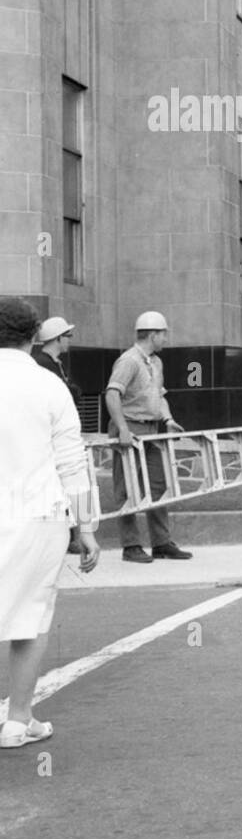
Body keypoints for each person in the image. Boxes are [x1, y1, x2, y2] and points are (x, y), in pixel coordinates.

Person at [0, 297, 99, 749]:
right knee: (30, 617)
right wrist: (86, 528)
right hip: (38, 516)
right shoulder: (49, 386)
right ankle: (18, 720)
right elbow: (71, 463)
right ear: (34, 335)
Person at [104, 312, 192, 563]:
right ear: (152, 335)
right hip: (131, 427)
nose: (166, 338)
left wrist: (168, 420)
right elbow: (112, 394)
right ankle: (130, 546)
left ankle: (161, 543)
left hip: (153, 428)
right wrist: (122, 429)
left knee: (157, 486)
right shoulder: (128, 361)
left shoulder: (155, 362)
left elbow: (159, 395)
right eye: (163, 334)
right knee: (128, 487)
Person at [32, 317, 84, 554]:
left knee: (66, 484)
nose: (69, 341)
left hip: (59, 432)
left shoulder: (55, 363)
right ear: (57, 338)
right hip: (51, 437)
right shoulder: (43, 364)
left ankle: (71, 534)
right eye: (67, 336)